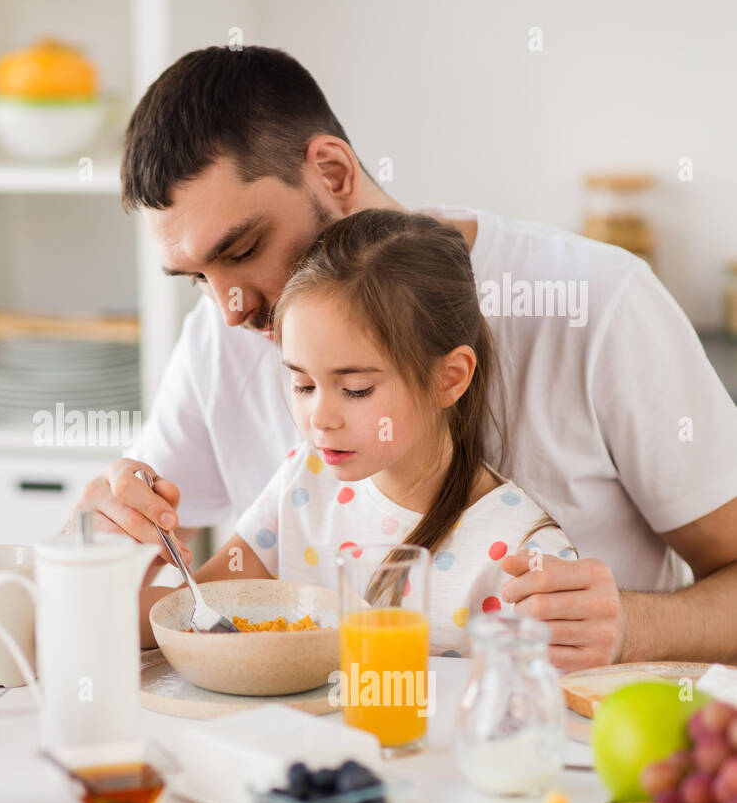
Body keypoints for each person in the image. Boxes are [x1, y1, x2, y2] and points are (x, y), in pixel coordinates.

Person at [80, 46, 737, 667]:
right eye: (195, 278)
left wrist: (630, 627)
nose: (228, 308)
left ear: (332, 172)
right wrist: (103, 533)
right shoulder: (219, 338)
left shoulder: (598, 302)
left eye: (244, 249)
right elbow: (152, 591)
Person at [139, 209, 576, 653]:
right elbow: (192, 614)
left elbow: (540, 704)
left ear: (449, 378)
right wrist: (101, 553)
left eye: (355, 389)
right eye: (302, 384)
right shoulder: (303, 482)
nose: (320, 419)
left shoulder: (522, 550)